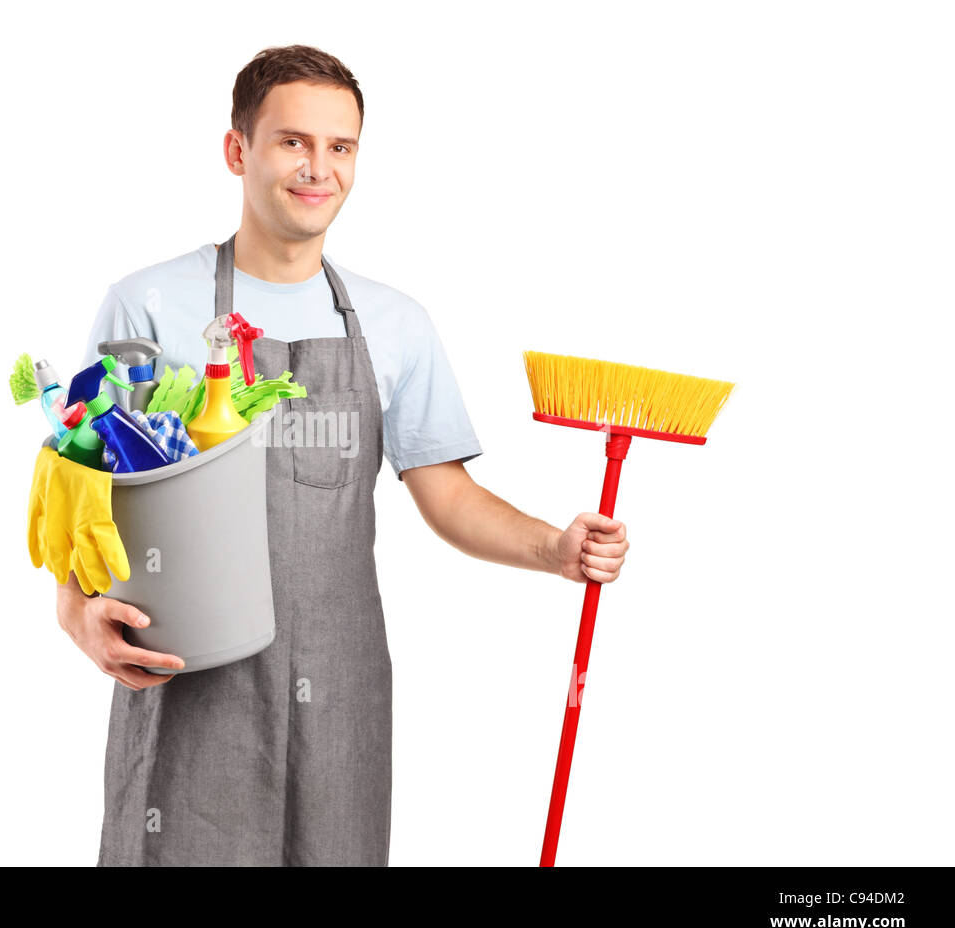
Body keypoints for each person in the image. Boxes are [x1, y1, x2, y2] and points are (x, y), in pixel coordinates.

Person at [54, 44, 629, 866]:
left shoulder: (397, 323)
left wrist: (555, 548)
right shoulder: (147, 305)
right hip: (187, 679)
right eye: (292, 141)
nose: (317, 168)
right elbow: (78, 493)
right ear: (237, 150)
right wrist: (77, 614)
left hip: (341, 695)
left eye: (340, 147)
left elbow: (444, 491)